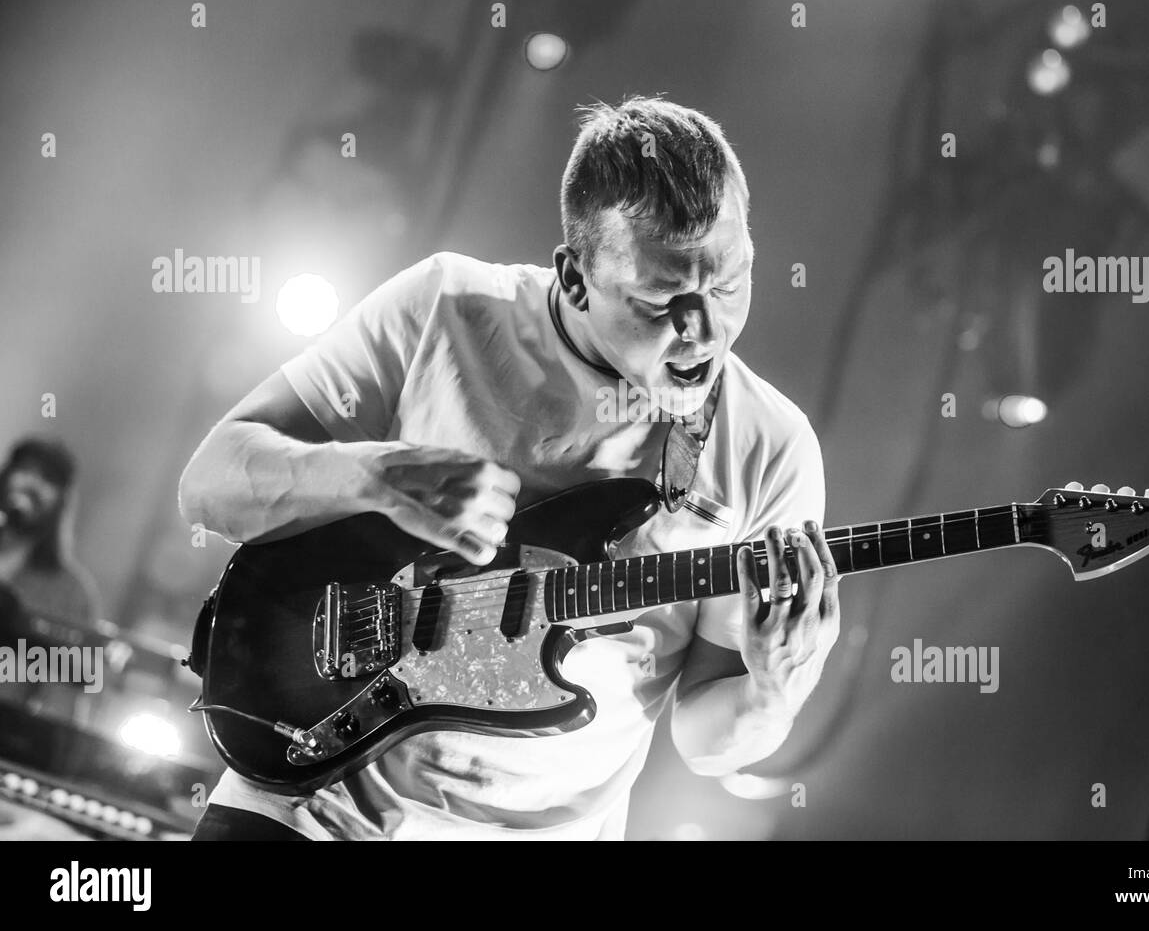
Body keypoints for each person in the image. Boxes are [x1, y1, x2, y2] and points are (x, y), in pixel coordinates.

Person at [179, 96, 841, 840]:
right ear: (575, 276)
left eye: (728, 285)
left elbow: (704, 738)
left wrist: (774, 689)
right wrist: (370, 475)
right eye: (661, 300)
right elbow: (210, 486)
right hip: (311, 795)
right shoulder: (447, 304)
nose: (704, 331)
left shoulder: (770, 446)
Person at [0, 436, 101, 719]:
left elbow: (68, 695)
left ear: (61, 500)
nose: (30, 485)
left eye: (46, 479)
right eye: (24, 471)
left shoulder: (71, 592)